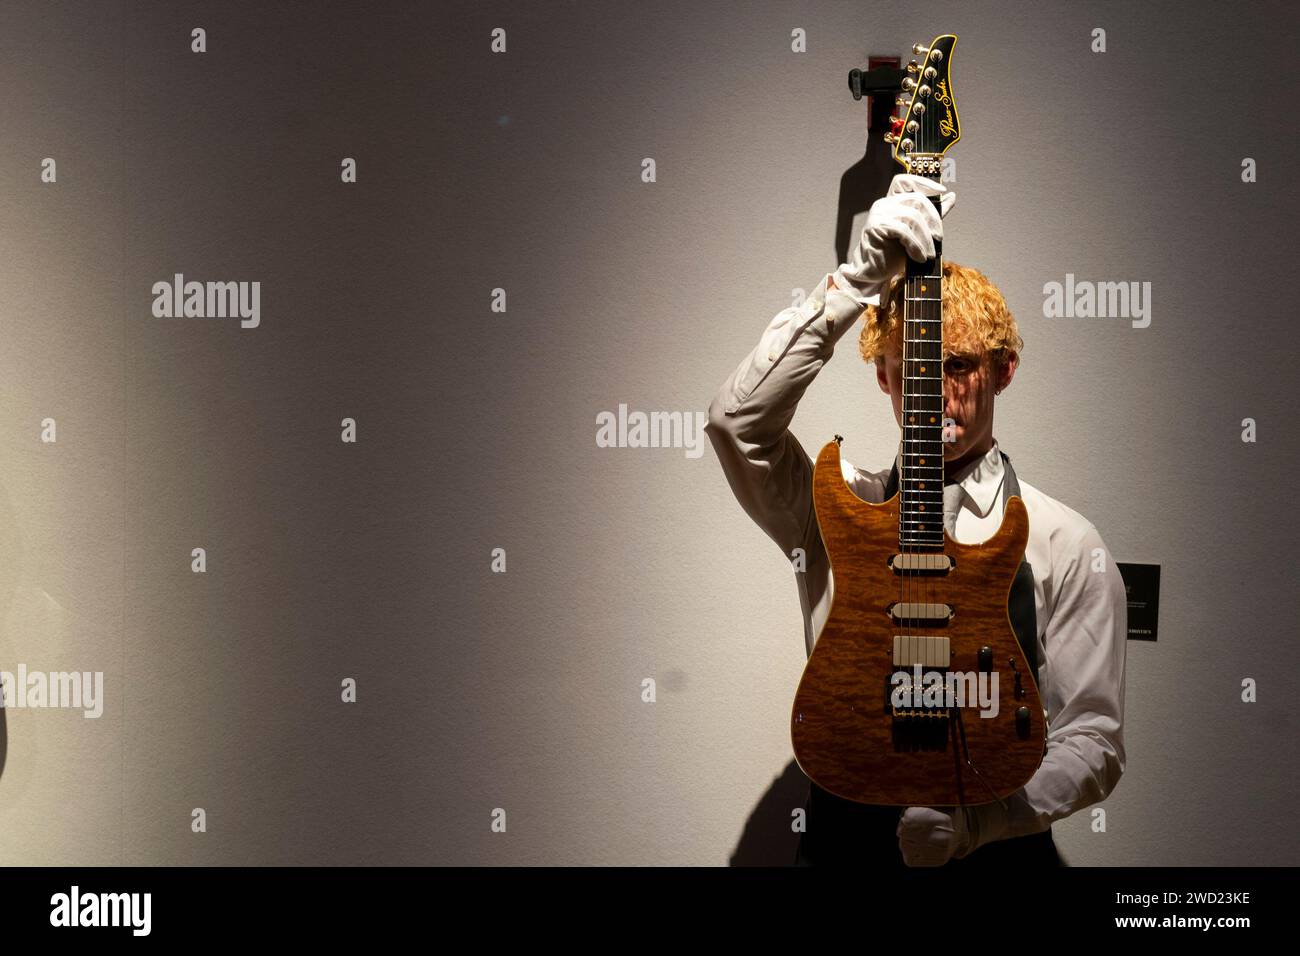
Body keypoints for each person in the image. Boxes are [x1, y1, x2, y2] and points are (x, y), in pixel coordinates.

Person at [704, 173, 1127, 868]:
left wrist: (981, 825)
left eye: (956, 365)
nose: (934, 389)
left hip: (999, 852)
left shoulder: (1065, 541)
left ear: (1004, 370)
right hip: (842, 845)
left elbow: (1094, 737)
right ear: (883, 378)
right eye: (913, 368)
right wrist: (854, 281)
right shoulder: (835, 515)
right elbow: (734, 423)